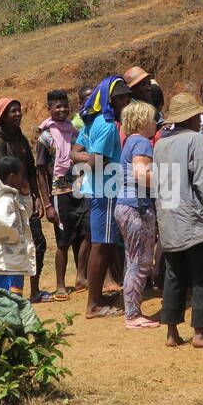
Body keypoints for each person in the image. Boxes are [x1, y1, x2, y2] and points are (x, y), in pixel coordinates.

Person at [154, 93, 203, 348]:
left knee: (174, 275)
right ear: (190, 118)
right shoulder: (196, 141)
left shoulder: (160, 145)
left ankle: (171, 332)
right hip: (193, 220)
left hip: (168, 219)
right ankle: (200, 332)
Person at [70, 76, 133, 319]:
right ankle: (93, 305)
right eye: (121, 97)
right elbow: (96, 163)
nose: (126, 101)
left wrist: (90, 159)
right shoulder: (107, 126)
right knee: (102, 246)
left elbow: (75, 152)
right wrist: (96, 159)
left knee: (103, 244)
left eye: (126, 96)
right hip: (106, 191)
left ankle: (95, 298)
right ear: (111, 99)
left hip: (96, 189)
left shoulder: (93, 120)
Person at [0, 98, 51, 302]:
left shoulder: (20, 138)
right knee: (13, 247)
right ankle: (11, 295)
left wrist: (37, 197)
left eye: (18, 111)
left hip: (27, 200)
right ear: (2, 116)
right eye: (12, 112)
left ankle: (34, 290)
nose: (17, 114)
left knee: (37, 243)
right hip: (12, 202)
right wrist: (17, 197)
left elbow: (31, 170)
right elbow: (0, 176)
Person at [35, 89, 88, 300]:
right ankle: (59, 285)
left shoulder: (74, 131)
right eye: (58, 106)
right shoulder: (45, 137)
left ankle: (82, 277)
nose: (62, 110)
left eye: (65, 105)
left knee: (87, 234)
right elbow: (40, 172)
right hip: (59, 193)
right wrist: (47, 204)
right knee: (63, 242)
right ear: (50, 109)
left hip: (79, 189)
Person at [115, 100, 161, 329]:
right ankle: (132, 316)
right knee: (140, 261)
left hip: (126, 205)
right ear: (143, 121)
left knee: (133, 259)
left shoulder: (131, 141)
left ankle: (132, 311)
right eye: (152, 118)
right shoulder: (142, 142)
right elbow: (141, 175)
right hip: (137, 207)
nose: (155, 122)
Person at [0, 156, 36, 293]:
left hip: (7, 262)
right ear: (12, 177)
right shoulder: (6, 200)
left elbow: (24, 217)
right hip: (7, 263)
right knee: (8, 302)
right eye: (21, 176)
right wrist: (15, 237)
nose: (23, 179)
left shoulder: (12, 196)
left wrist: (26, 195)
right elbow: (0, 221)